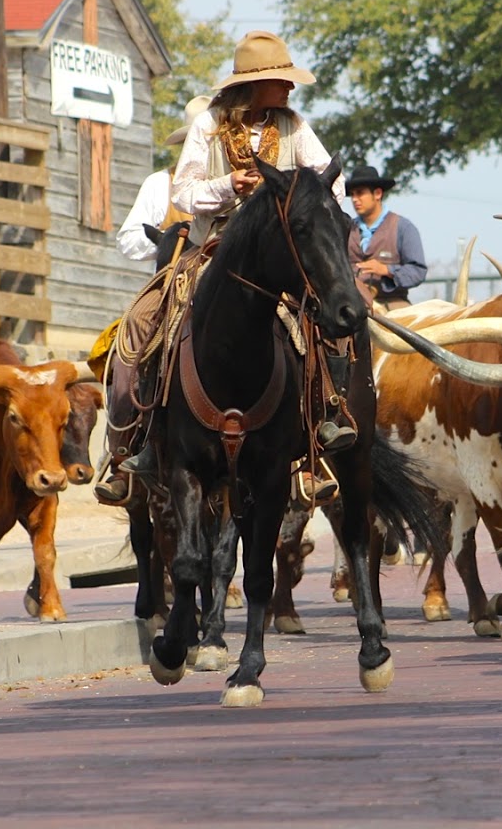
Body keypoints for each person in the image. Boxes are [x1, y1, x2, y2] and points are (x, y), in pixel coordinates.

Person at [100, 30, 356, 496]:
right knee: (145, 318)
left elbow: (329, 185)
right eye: (282, 80)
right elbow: (183, 192)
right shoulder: (209, 125)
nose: (290, 88)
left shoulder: (294, 125)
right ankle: (138, 437)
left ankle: (324, 424)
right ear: (254, 84)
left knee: (326, 315)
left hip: (278, 252)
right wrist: (226, 187)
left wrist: (310, 203)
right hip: (215, 249)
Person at [114, 95, 209, 262]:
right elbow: (128, 241)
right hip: (175, 279)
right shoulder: (159, 183)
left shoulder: (238, 184)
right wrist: (166, 239)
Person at [344, 165, 427, 311]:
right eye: (352, 194)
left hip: (393, 305)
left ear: (377, 193)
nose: (355, 199)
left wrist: (386, 270)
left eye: (360, 193)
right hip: (353, 307)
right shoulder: (345, 229)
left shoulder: (403, 228)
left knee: (408, 332)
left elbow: (418, 271)